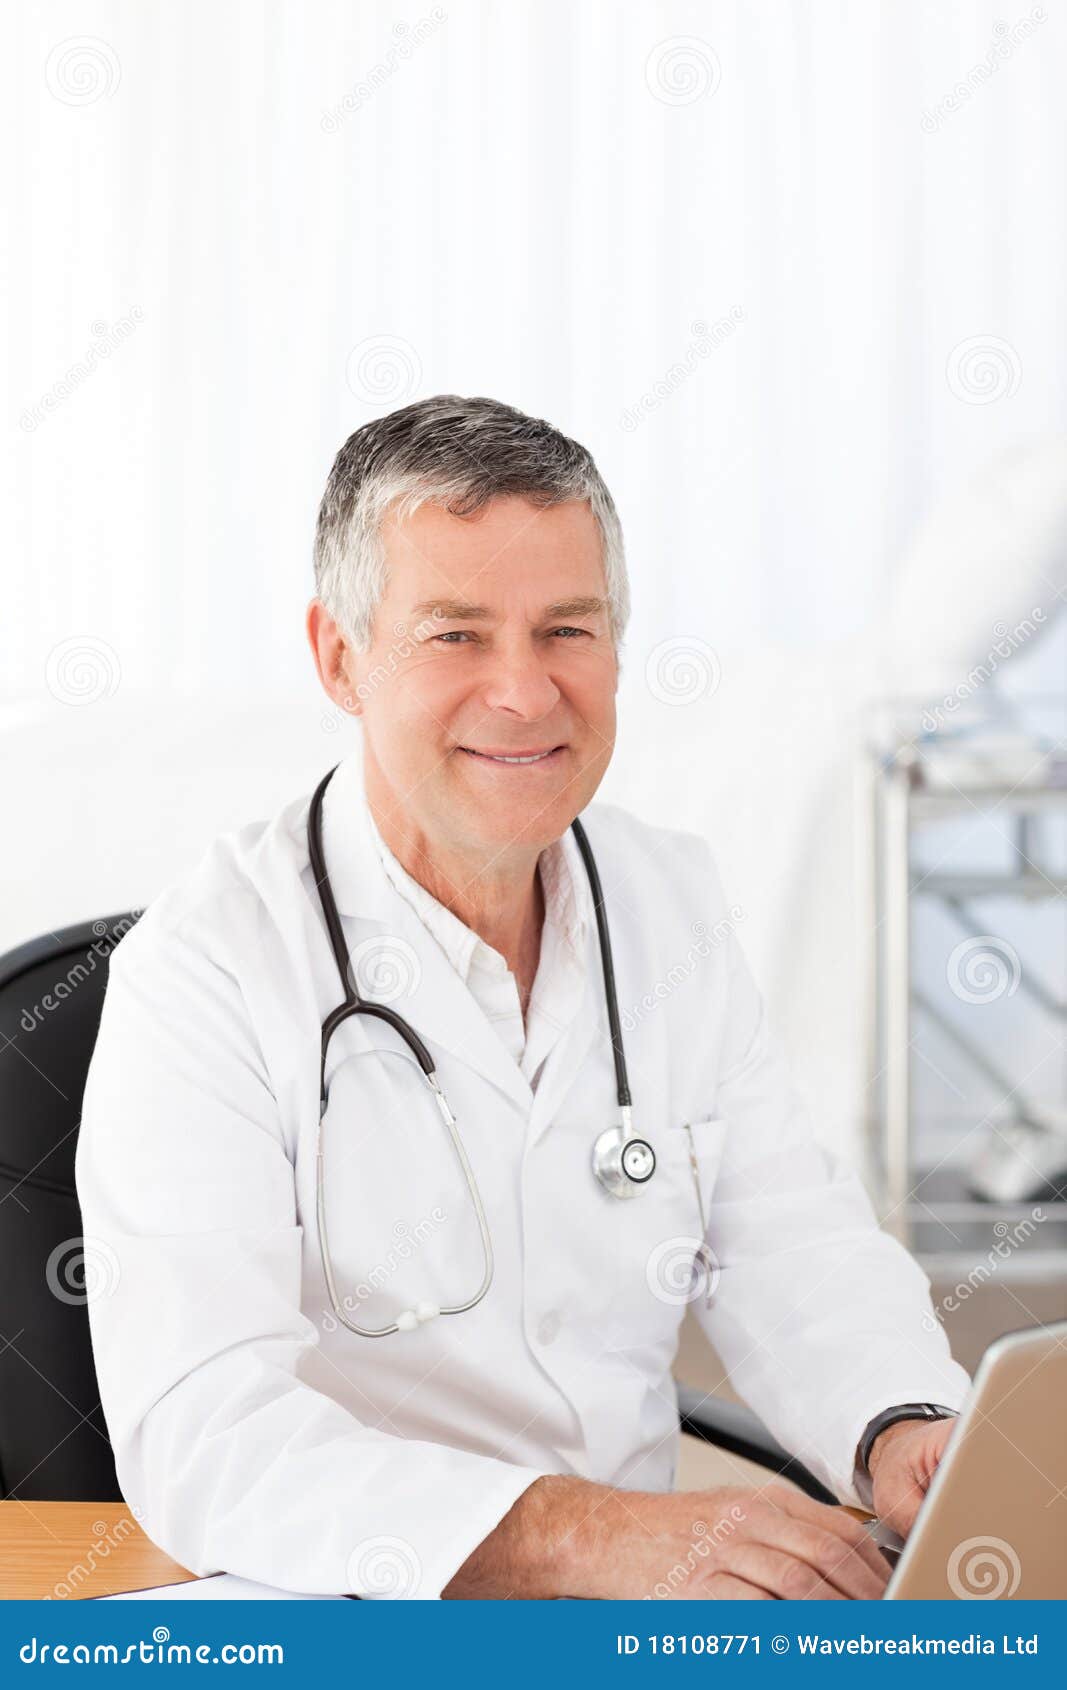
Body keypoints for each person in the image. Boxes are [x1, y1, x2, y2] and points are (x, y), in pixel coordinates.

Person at [76, 395, 970, 1600]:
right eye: (454, 634)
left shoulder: (670, 903)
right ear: (340, 655)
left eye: (567, 628)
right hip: (345, 1607)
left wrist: (899, 1425)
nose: (523, 690)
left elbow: (790, 1242)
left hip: (642, 1617)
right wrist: (580, 1530)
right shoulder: (207, 969)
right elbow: (204, 1433)